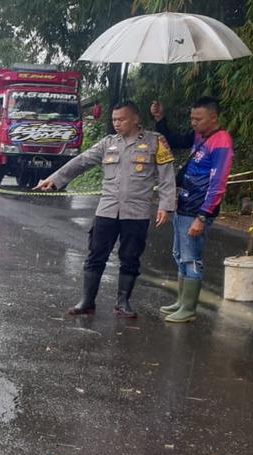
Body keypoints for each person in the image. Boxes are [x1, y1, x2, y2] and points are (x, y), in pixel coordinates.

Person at [35, 101, 176, 317]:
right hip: (107, 210)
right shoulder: (107, 143)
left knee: (130, 257)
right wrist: (55, 178)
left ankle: (123, 303)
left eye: (122, 119)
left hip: (136, 212)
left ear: (136, 119)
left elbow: (167, 175)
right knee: (95, 255)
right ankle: (87, 302)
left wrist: (166, 206)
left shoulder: (156, 142)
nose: (117, 124)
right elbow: (81, 161)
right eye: (114, 120)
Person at [150, 97, 234, 323]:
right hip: (183, 204)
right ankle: (181, 301)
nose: (194, 123)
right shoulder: (200, 136)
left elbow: (218, 183)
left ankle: (189, 308)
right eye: (192, 118)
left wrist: (203, 216)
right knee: (179, 255)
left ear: (213, 118)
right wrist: (160, 119)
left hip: (198, 210)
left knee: (191, 258)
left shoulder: (222, 141)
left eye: (199, 119)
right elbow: (174, 140)